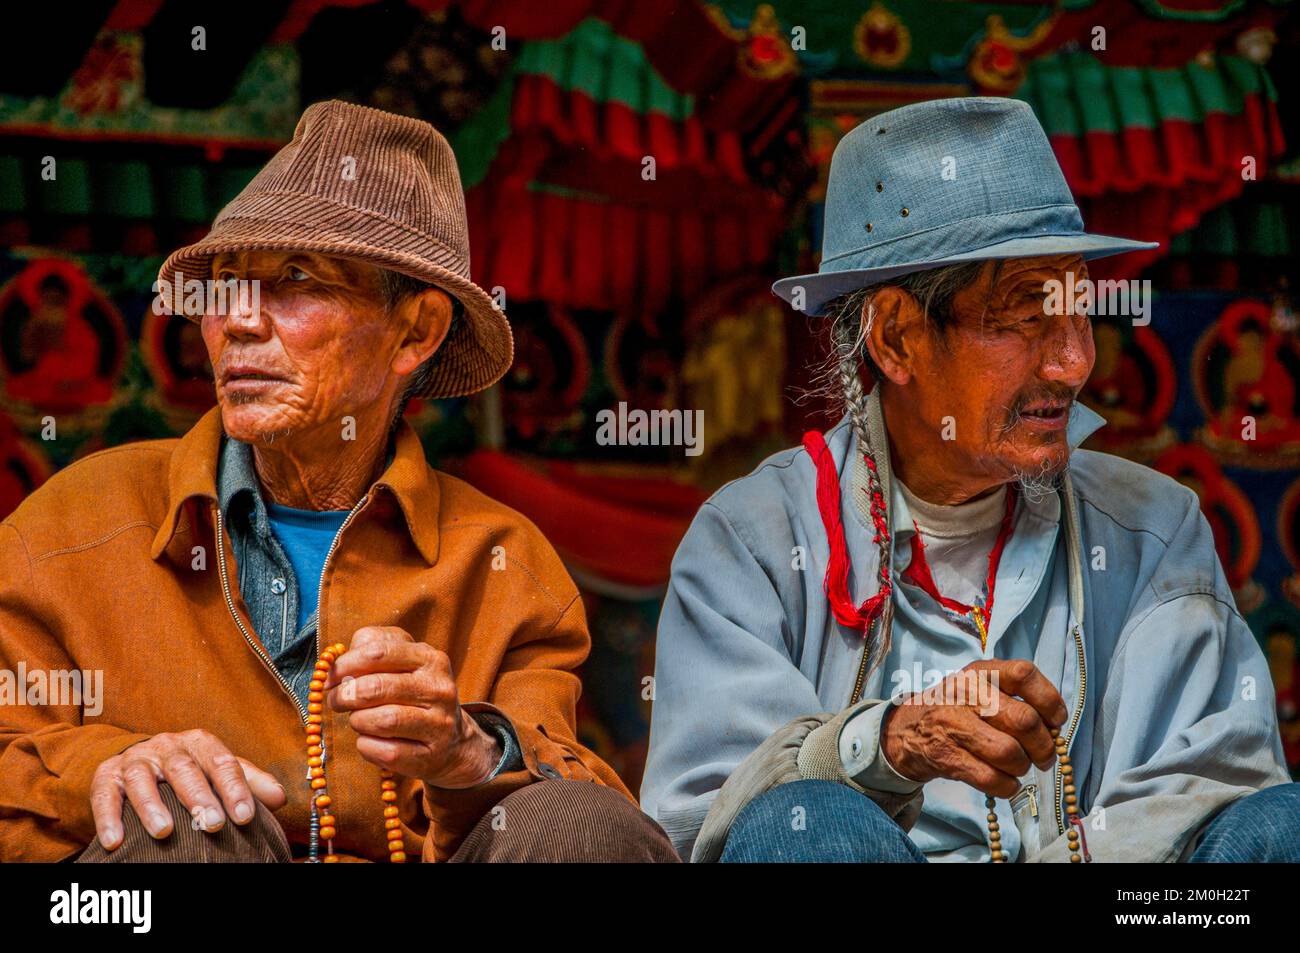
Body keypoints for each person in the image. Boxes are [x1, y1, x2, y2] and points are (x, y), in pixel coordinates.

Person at [0, 100, 676, 863]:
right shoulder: (71, 524)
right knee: (182, 826)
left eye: (295, 279)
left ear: (415, 331)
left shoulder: (504, 565)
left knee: (586, 828)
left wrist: (463, 751)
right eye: (224, 283)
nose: (239, 321)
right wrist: (98, 767)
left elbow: (562, 791)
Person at [641, 97, 1297, 863]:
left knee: (1282, 824)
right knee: (808, 825)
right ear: (896, 337)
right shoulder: (750, 542)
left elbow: (1217, 789)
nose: (1074, 362)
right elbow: (702, 823)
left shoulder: (1153, 527)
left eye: (1079, 310)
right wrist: (881, 745)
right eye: (1024, 317)